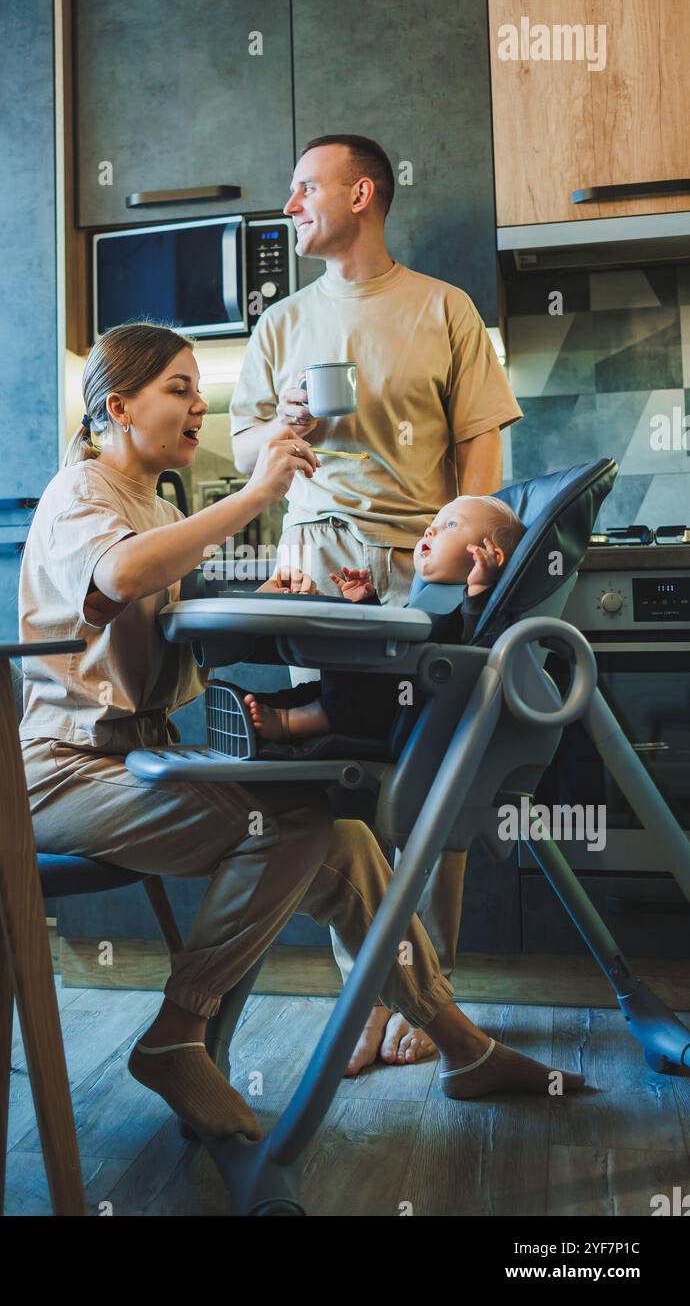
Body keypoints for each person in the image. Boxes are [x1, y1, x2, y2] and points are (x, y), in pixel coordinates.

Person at [17, 321, 582, 1142]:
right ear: (118, 406)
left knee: (346, 840)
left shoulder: (151, 500)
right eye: (179, 389)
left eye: (194, 392)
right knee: (290, 823)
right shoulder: (83, 491)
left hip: (137, 755)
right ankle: (177, 1034)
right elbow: (121, 573)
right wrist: (253, 500)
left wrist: (254, 587)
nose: (196, 408)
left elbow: (158, 613)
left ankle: (461, 1046)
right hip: (66, 772)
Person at [231, 133, 525, 1070]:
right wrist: (281, 430)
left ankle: (436, 999)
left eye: (304, 187)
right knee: (347, 786)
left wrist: (463, 570)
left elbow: (484, 455)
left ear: (362, 194)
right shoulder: (280, 323)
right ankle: (371, 995)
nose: (289, 205)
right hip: (320, 570)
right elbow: (248, 460)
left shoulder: (445, 309)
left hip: (425, 568)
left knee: (442, 788)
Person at [244, 495, 525, 748]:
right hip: (382, 687)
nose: (431, 530)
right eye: (434, 523)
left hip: (399, 707)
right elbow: (398, 635)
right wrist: (366, 601)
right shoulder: (427, 597)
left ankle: (287, 723)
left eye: (451, 525)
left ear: (490, 557)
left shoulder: (478, 603)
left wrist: (479, 591)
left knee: (350, 701)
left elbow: (474, 644)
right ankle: (266, 705)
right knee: (316, 690)